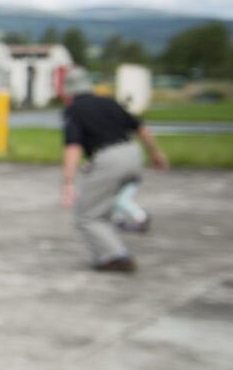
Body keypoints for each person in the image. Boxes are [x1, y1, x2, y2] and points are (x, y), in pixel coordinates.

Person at [60, 66, 168, 272]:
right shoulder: (109, 101)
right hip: (134, 154)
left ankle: (115, 256)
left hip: (109, 159)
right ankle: (112, 249)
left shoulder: (73, 110)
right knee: (104, 208)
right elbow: (141, 128)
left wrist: (68, 182)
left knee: (87, 215)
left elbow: (73, 146)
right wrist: (155, 154)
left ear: (68, 91)